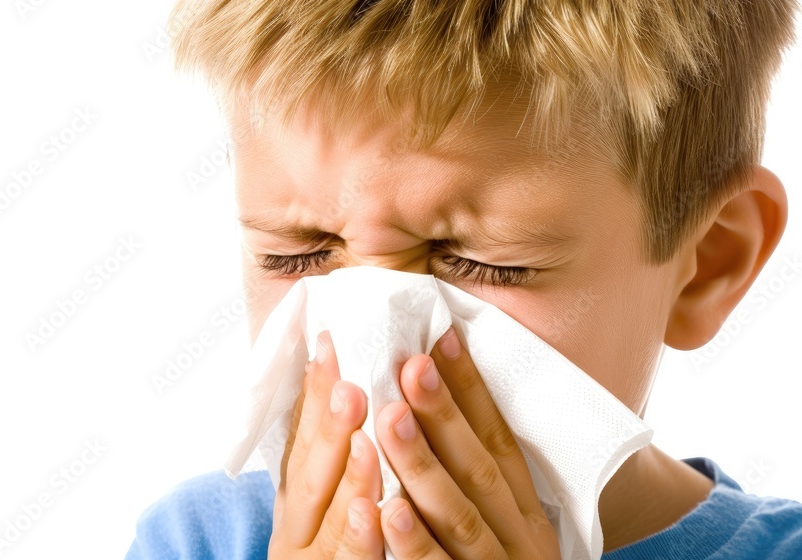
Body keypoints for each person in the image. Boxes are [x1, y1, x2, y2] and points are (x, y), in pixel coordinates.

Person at [126, 0, 802, 557]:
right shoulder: (198, 542)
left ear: (708, 264)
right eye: (296, 256)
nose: (381, 362)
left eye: (486, 265)